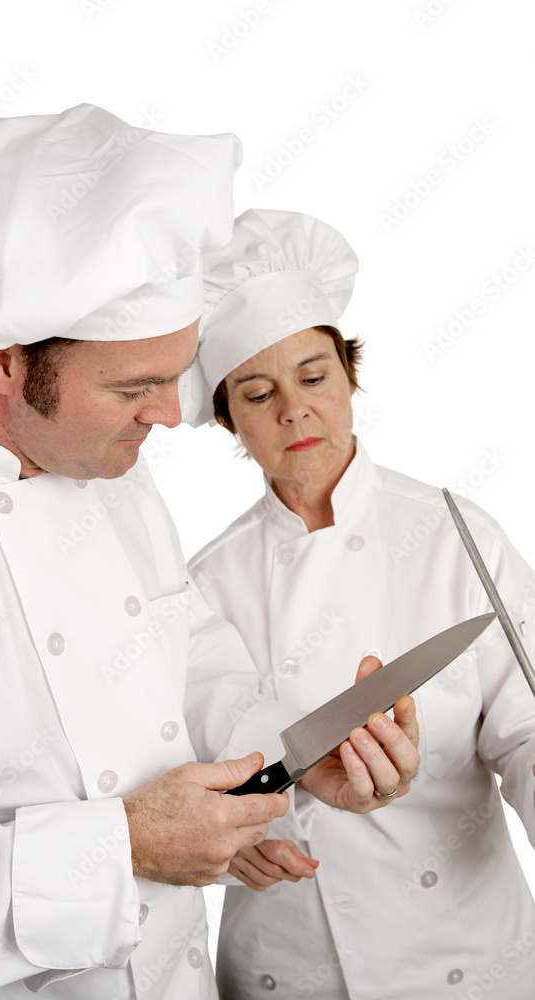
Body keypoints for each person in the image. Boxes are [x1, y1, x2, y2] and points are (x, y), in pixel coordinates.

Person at [0, 110, 419, 999]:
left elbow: (184, 652)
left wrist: (288, 756)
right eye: (135, 386)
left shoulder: (103, 462)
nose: (170, 416)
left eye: (176, 373)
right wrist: (120, 845)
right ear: (2, 359)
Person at [187, 207, 535, 1000]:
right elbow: (181, 779)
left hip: (463, 961)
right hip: (288, 962)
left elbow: (526, 729)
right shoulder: (200, 584)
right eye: (256, 391)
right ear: (227, 419)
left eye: (313, 376)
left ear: (349, 377)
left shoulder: (454, 532)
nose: (293, 409)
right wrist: (228, 841)